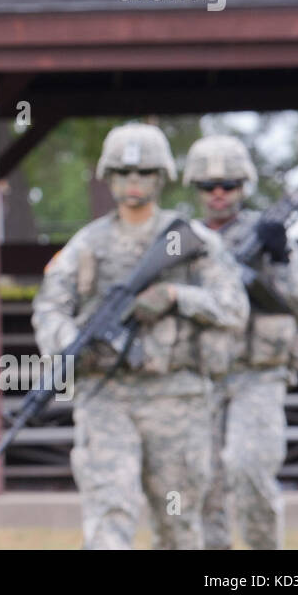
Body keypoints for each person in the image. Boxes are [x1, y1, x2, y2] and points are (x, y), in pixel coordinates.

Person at [31, 123, 248, 549]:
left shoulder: (191, 240)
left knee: (179, 523)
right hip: (107, 397)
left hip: (178, 398)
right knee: (109, 513)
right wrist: (73, 339)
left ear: (161, 177)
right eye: (124, 173)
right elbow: (48, 308)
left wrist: (175, 295)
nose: (133, 182)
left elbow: (233, 306)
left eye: (144, 172)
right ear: (109, 177)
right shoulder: (87, 244)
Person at [187, 135, 298, 550]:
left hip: (257, 374)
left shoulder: (270, 233)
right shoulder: (182, 239)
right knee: (201, 480)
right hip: (199, 374)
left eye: (229, 184)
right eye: (209, 186)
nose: (219, 193)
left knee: (250, 470)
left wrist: (277, 260)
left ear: (244, 186)